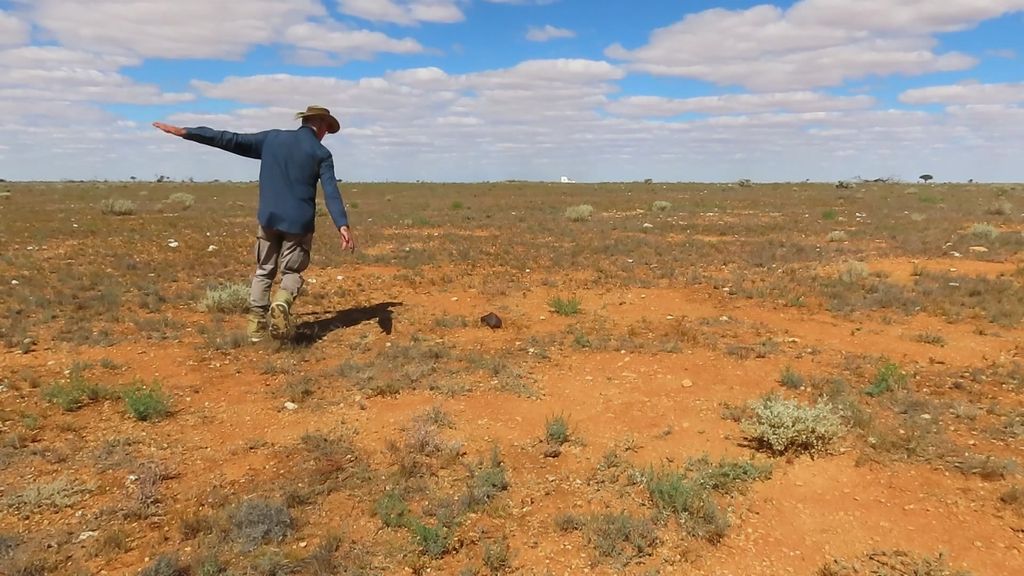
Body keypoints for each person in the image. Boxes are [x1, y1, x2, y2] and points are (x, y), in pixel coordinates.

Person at [153, 105, 355, 342]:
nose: (326, 134)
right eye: (327, 130)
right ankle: (281, 302)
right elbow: (331, 190)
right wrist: (341, 224)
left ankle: (256, 329)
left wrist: (186, 132)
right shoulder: (321, 153)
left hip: (268, 219)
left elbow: (228, 139)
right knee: (292, 271)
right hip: (298, 223)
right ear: (320, 124)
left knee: (264, 270)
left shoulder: (271, 139)